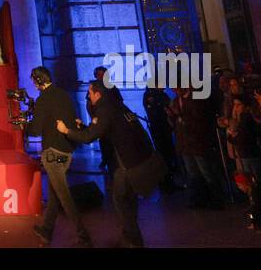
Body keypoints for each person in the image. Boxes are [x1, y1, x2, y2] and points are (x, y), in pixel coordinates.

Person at [60, 78, 165, 247]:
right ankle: (130, 236)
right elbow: (100, 131)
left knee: (120, 199)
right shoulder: (117, 106)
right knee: (125, 197)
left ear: (98, 94)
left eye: (90, 93)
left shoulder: (105, 110)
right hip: (135, 158)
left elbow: (89, 138)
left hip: (128, 161)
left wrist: (67, 131)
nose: (88, 97)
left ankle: (133, 239)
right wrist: (84, 127)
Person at [26, 66, 93, 248]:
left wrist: (24, 125)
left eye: (34, 81)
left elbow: (36, 130)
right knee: (56, 195)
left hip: (53, 153)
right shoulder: (63, 94)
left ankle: (83, 235)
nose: (34, 85)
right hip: (67, 151)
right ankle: (47, 230)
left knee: (64, 197)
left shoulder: (43, 99)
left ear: (39, 81)